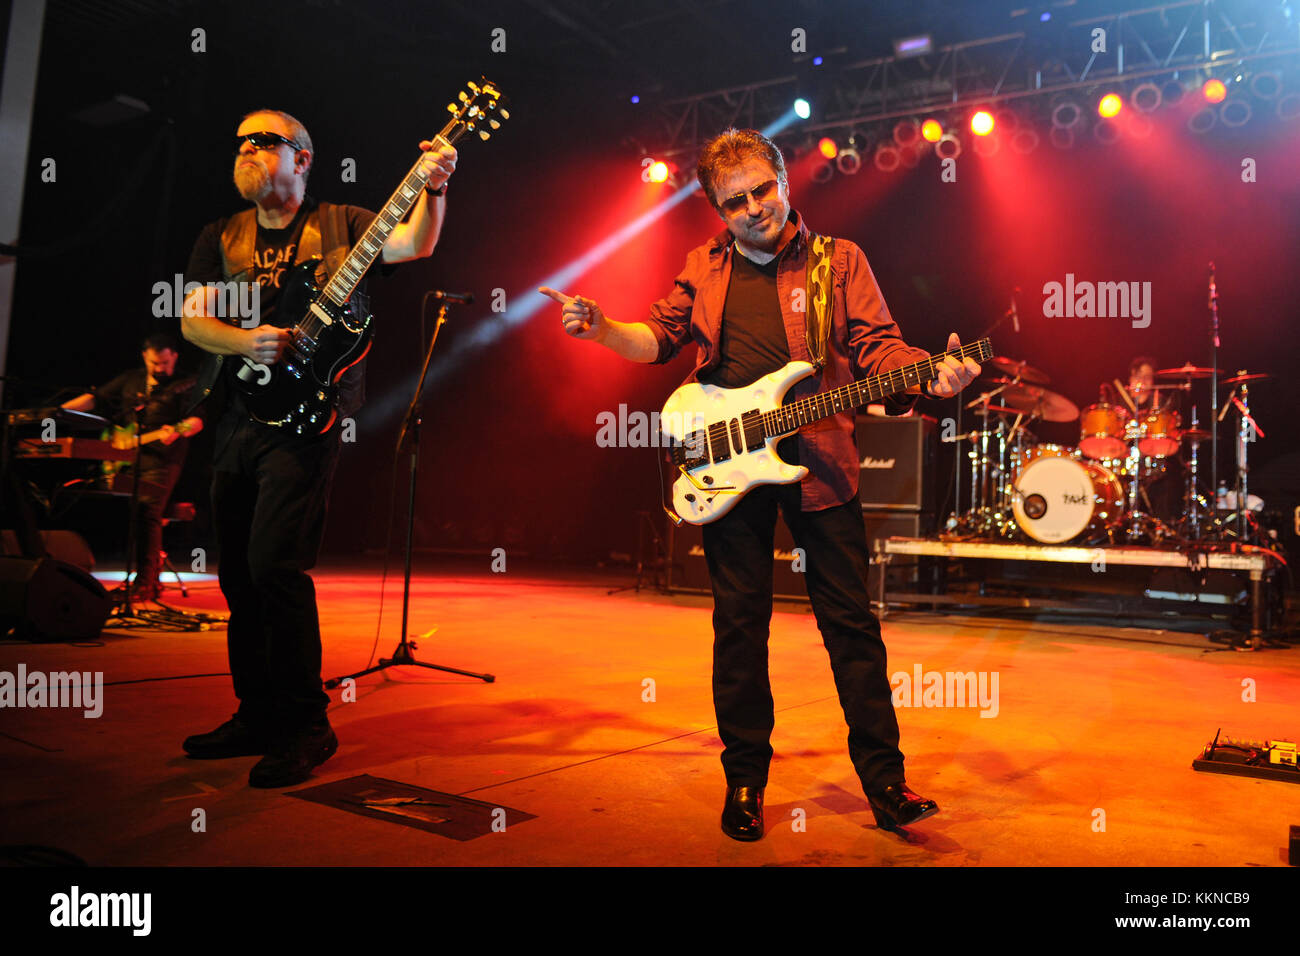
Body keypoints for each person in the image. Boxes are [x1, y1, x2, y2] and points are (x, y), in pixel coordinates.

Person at [541, 128, 979, 840]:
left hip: (821, 462)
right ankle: (744, 781)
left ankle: (887, 784)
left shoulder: (839, 261)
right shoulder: (703, 267)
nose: (753, 208)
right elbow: (657, 340)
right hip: (728, 464)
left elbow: (878, 349)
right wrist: (599, 329)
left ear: (784, 181)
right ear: (717, 207)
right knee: (738, 628)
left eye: (762, 191)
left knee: (852, 628)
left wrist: (930, 371)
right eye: (735, 201)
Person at [178, 108, 456, 788]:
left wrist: (437, 185)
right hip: (238, 415)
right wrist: (244, 341)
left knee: (276, 565)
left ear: (301, 158)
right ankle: (256, 714)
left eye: (262, 141)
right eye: (239, 140)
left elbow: (414, 244)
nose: (245, 149)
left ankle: (307, 725)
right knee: (237, 577)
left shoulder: (343, 224)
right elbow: (192, 319)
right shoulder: (223, 235)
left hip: (307, 421)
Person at [61, 332, 204, 602]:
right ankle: (147, 580)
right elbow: (96, 398)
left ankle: (145, 585)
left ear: (174, 357)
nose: (159, 369)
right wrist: (59, 412)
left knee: (148, 514)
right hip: (127, 460)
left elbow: (197, 420)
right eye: (154, 363)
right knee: (135, 517)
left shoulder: (186, 384)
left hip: (163, 460)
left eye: (164, 363)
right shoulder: (131, 380)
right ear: (145, 357)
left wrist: (178, 431)